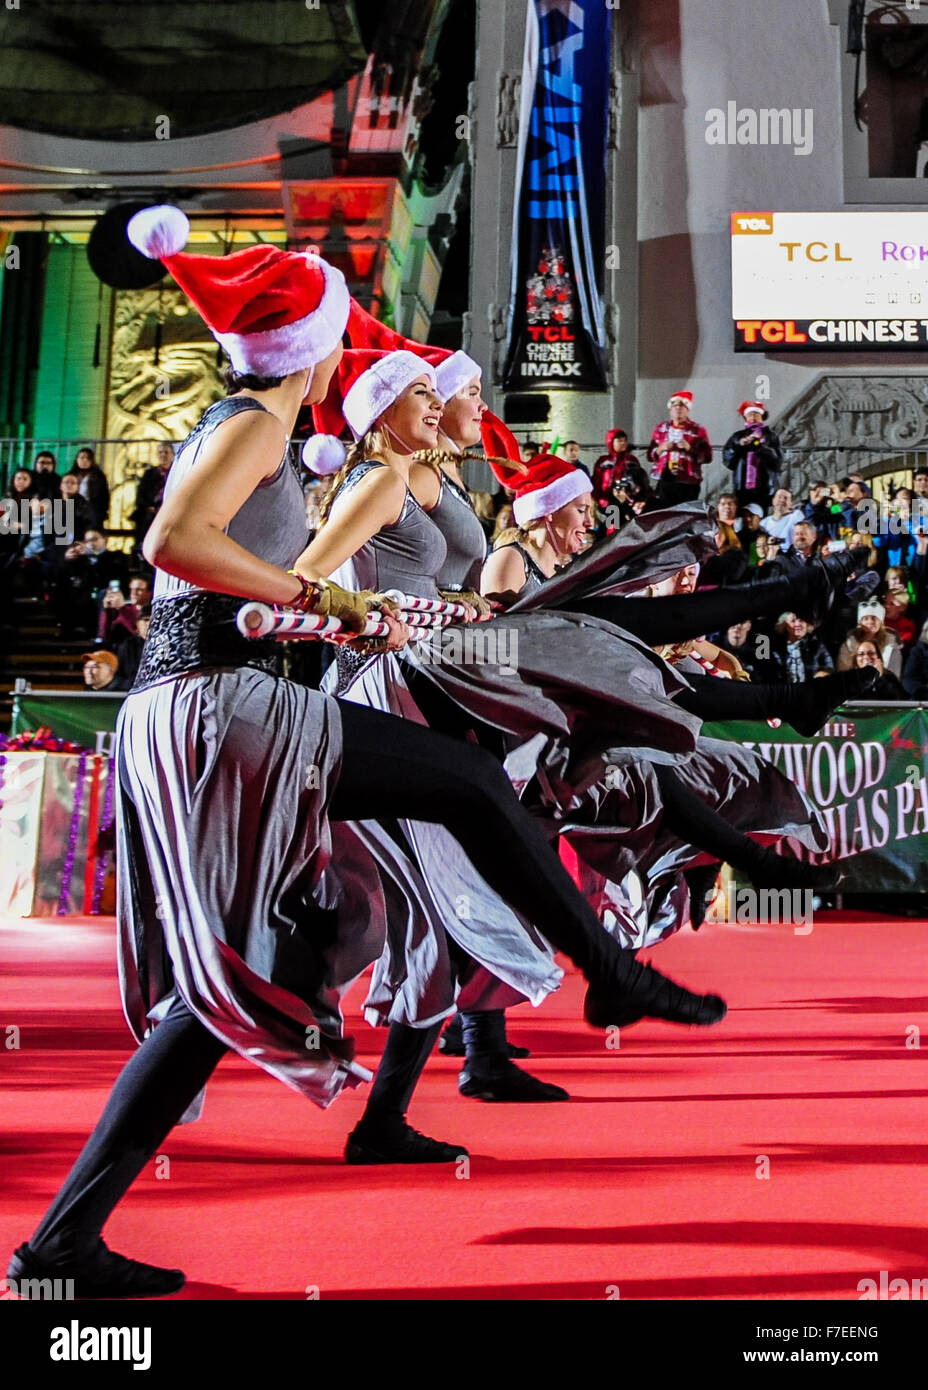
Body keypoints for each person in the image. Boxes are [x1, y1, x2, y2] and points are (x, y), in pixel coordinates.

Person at [10, 208, 721, 1300]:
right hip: (215, 705)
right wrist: (321, 593)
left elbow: (211, 585)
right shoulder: (254, 421)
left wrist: (329, 615)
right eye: (340, 331)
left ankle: (60, 1244)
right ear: (310, 345)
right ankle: (611, 973)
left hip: (196, 697)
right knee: (472, 787)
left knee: (224, 986)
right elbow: (170, 549)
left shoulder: (252, 426)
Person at [647, 390, 712, 507]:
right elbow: (650, 456)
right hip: (665, 479)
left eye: (682, 406)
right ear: (670, 409)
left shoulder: (698, 429)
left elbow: (708, 457)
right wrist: (661, 448)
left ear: (688, 409)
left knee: (685, 515)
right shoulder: (661, 428)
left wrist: (690, 448)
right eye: (675, 406)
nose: (678, 409)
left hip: (688, 481)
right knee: (665, 514)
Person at [722, 401, 782, 509]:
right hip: (742, 486)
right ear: (745, 417)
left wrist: (760, 447)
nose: (753, 417)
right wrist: (740, 445)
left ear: (762, 417)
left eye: (756, 414)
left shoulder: (770, 436)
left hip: (764, 486)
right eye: (750, 414)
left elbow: (777, 461)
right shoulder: (737, 436)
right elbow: (728, 461)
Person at [592, 430, 651, 528]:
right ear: (611, 442)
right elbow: (596, 480)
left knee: (626, 523)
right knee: (613, 525)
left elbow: (639, 478)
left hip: (628, 498)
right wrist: (596, 498)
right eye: (619, 441)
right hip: (607, 498)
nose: (623, 443)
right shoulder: (603, 461)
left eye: (624, 441)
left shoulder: (631, 460)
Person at [836, 599, 902, 678]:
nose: (870, 622)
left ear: (881, 622)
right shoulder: (849, 645)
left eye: (874, 618)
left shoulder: (891, 645)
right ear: (860, 623)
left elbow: (894, 675)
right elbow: (843, 672)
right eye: (865, 618)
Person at [764, 613, 834, 682]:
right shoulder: (775, 648)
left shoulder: (816, 645)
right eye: (793, 621)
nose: (797, 625)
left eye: (801, 621)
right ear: (784, 625)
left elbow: (829, 667)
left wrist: (821, 674)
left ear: (807, 625)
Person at [133, 441, 175, 549]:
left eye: (166, 452)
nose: (163, 455)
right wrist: (148, 506)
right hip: (151, 509)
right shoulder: (149, 473)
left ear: (172, 455)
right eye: (160, 452)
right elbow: (141, 494)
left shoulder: (175, 472)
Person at [98, 575, 152, 647]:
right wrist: (107, 611)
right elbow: (105, 635)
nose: (133, 593)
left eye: (139, 590)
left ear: (149, 592)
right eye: (131, 589)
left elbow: (140, 632)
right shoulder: (125, 610)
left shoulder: (154, 611)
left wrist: (122, 608)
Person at [67, 446, 110, 529]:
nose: (84, 460)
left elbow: (104, 495)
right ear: (77, 459)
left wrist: (103, 510)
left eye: (88, 458)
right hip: (73, 508)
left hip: (93, 510)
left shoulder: (98, 476)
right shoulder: (71, 475)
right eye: (82, 457)